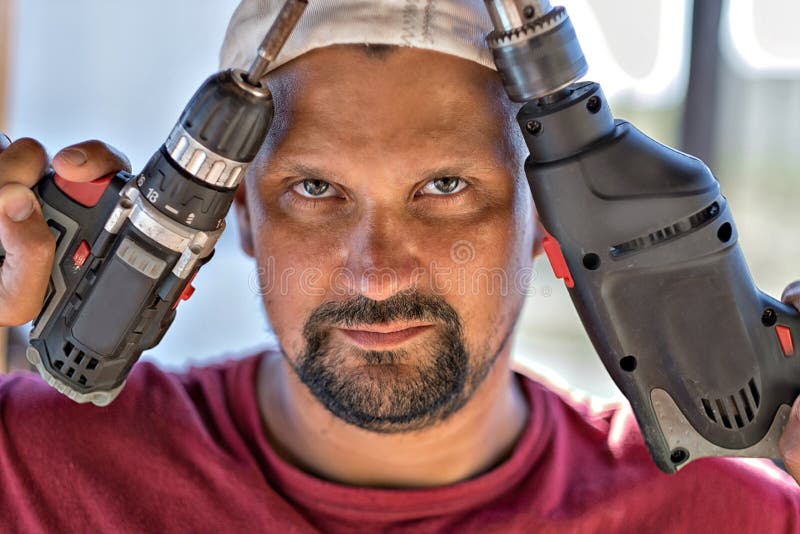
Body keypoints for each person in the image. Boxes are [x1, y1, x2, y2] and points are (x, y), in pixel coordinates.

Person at [1, 1, 800, 532]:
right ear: (234, 211)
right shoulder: (35, 469)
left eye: (444, 187)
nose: (376, 273)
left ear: (548, 216)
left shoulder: (729, 516)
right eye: (316, 189)